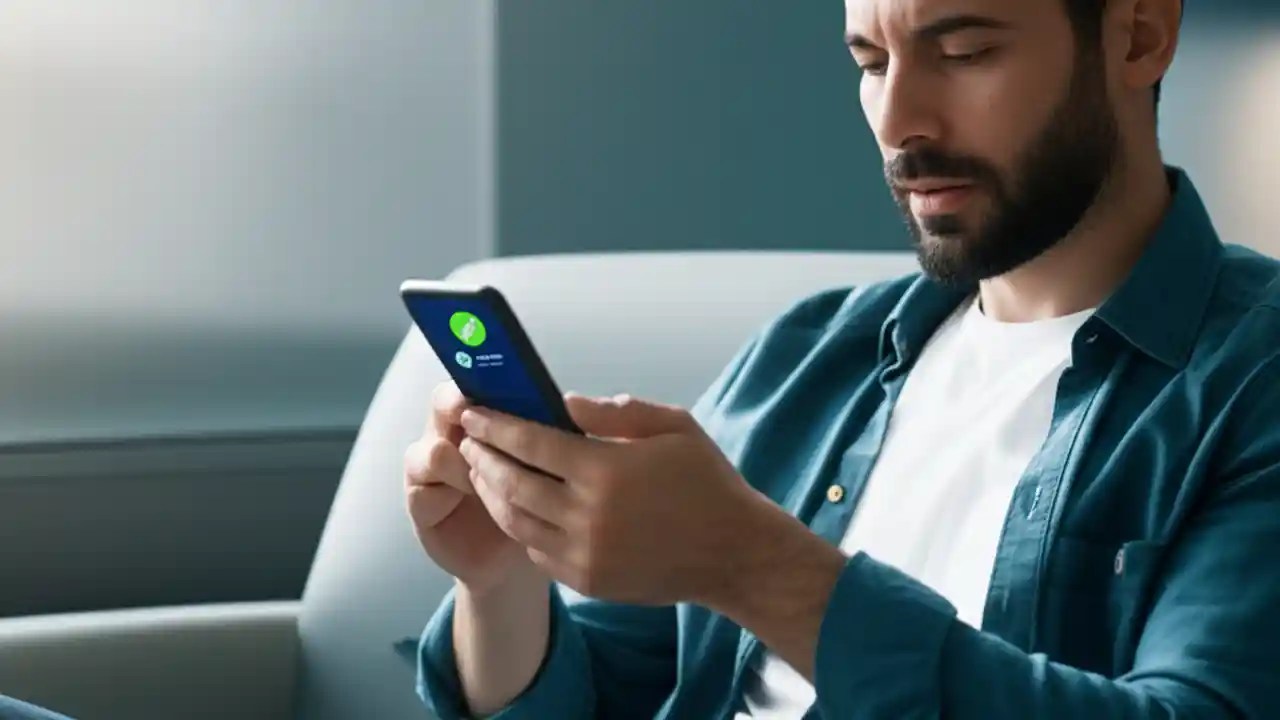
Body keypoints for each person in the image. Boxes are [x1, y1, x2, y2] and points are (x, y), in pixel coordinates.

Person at [404, 0, 1280, 717]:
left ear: (1138, 35)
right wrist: (504, 580)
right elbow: (603, 690)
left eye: (966, 51)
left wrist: (750, 564)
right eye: (870, 63)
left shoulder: (1251, 378)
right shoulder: (806, 356)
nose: (900, 121)